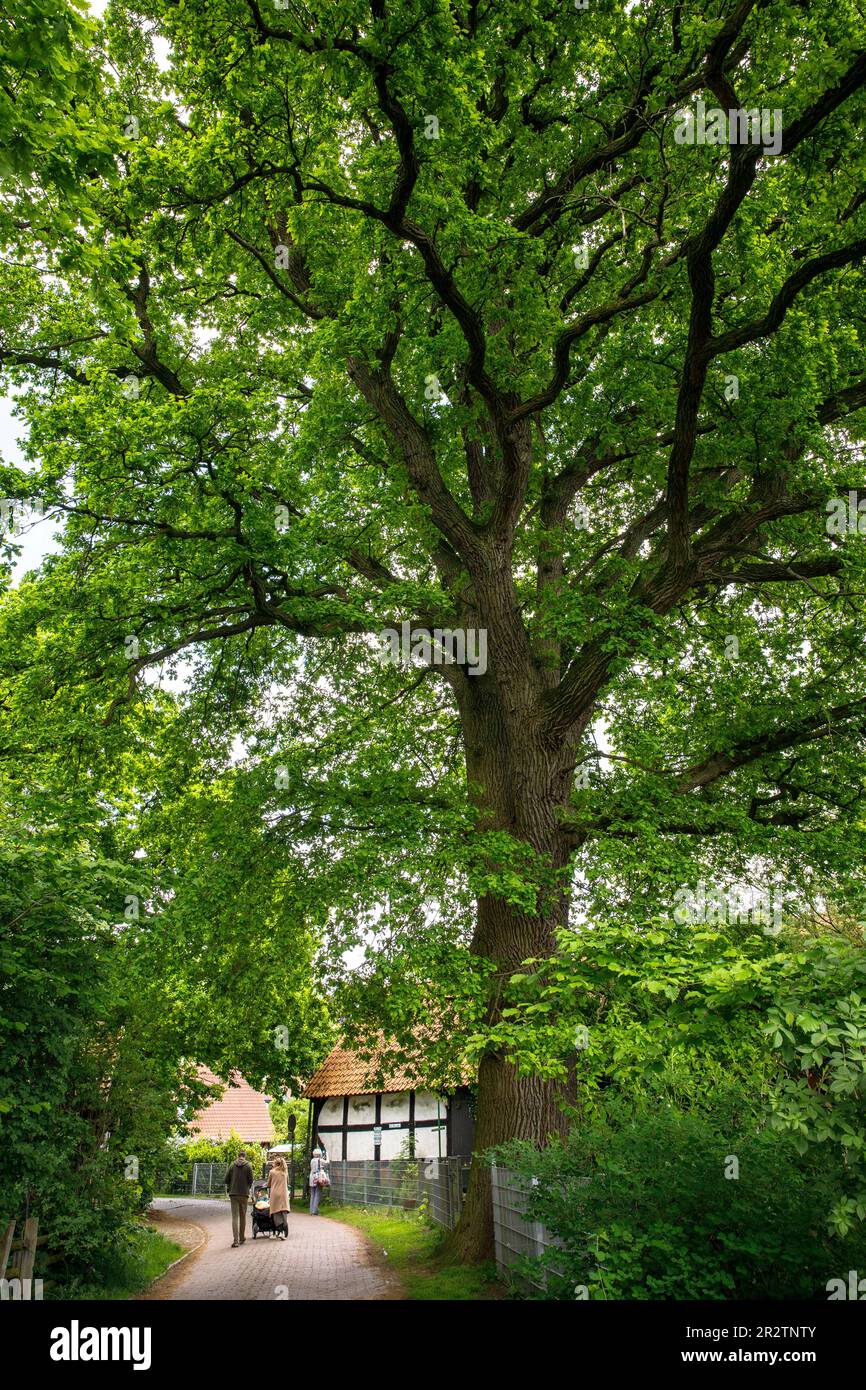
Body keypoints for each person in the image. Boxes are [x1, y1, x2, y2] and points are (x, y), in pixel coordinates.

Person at [224, 1148, 254, 1247]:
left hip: (233, 1194)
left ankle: (235, 1241)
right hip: (244, 1194)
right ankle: (242, 1237)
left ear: (238, 1156)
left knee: (234, 1217)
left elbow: (226, 1179)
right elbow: (251, 1180)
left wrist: (232, 1183)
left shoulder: (232, 1165)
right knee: (243, 1216)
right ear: (244, 1156)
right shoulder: (248, 1166)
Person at [268, 1154, 290, 1239]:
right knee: (283, 1212)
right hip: (284, 1194)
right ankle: (284, 1231)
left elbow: (269, 1184)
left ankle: (280, 1231)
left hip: (275, 1194)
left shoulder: (272, 1172)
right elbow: (287, 1182)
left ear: (275, 1164)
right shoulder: (285, 1172)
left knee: (276, 1213)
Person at [309, 1148, 328, 1214]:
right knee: (317, 1193)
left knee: (312, 1194)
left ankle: (311, 1210)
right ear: (320, 1154)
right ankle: (315, 1211)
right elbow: (327, 1163)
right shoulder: (320, 1160)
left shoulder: (312, 1160)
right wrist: (327, 1155)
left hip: (312, 1177)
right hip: (318, 1177)